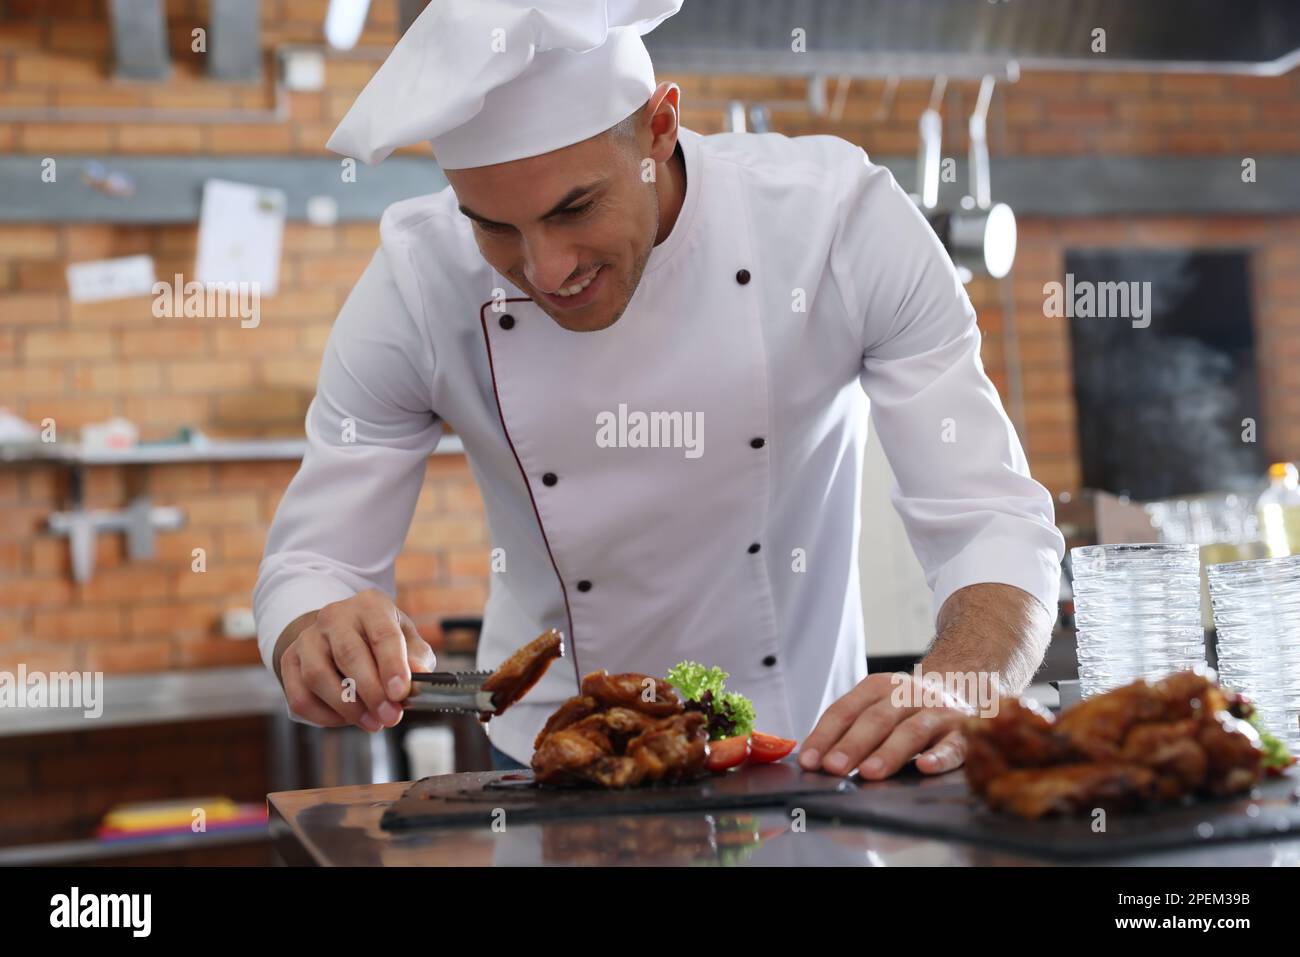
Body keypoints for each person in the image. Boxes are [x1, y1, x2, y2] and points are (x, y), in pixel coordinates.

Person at [253, 0, 1065, 779]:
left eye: (576, 207)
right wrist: (316, 629)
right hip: (553, 759)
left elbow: (989, 518)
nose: (547, 269)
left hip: (807, 750)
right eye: (493, 227)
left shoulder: (835, 224)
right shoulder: (416, 281)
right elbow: (314, 560)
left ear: (660, 126)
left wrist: (962, 680)